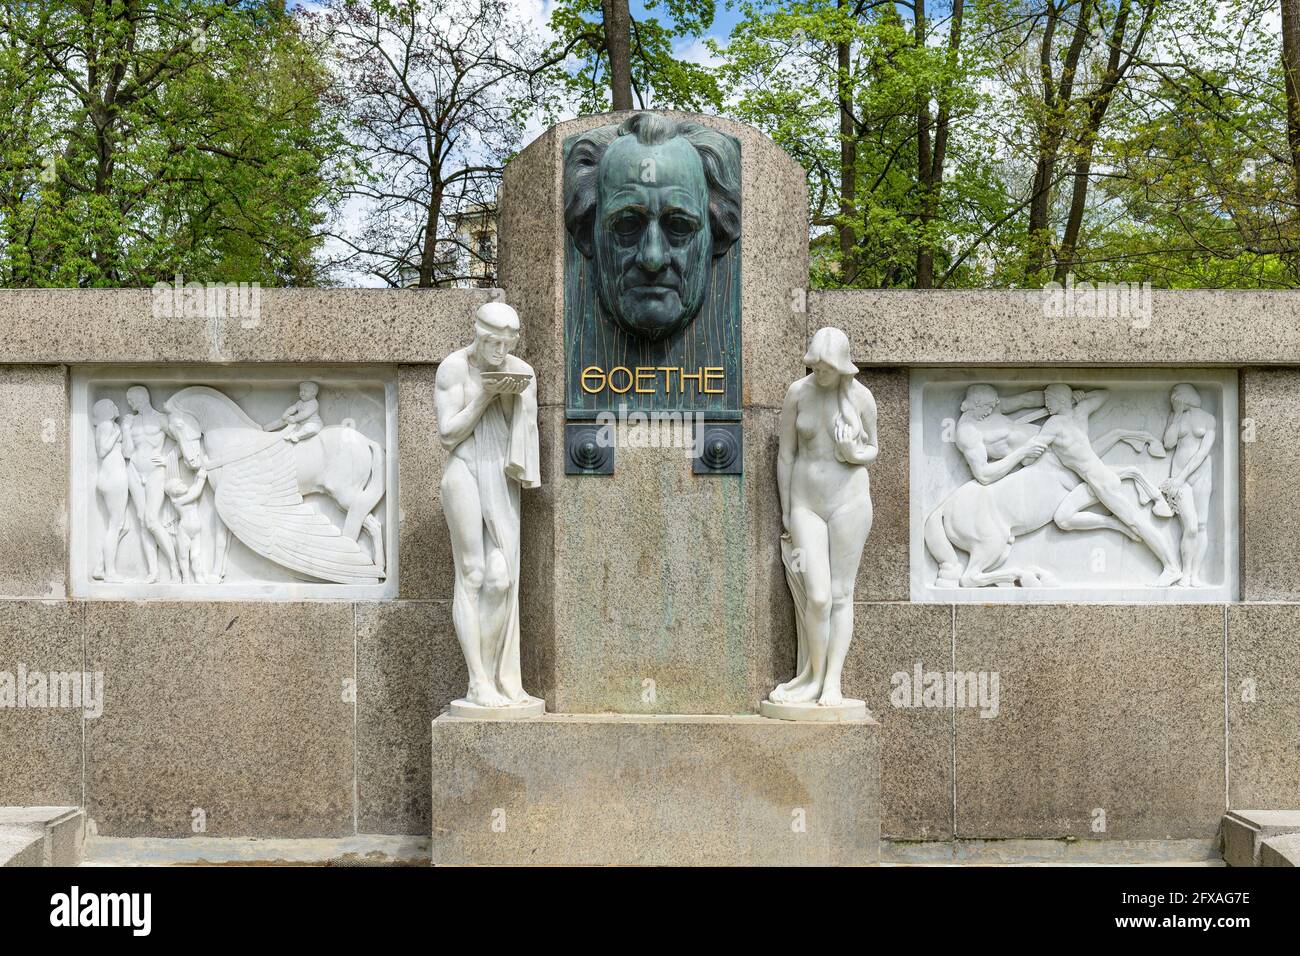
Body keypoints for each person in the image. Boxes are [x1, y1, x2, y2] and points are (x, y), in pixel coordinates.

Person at [435, 302, 540, 709]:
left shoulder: (521, 371)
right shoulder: (454, 368)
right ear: (478, 336)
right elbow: (448, 435)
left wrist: (515, 396)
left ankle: (497, 675)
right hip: (463, 471)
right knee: (473, 572)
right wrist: (486, 395)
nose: (500, 351)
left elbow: (525, 435)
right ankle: (477, 681)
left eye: (507, 344)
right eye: (493, 342)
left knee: (500, 579)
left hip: (501, 477)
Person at [769, 327, 877, 708]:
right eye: (814, 366)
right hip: (806, 505)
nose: (819, 372)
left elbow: (873, 449)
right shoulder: (798, 393)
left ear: (842, 366)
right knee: (817, 596)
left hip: (850, 502)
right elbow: (786, 454)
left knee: (840, 594)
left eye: (826, 367)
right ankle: (813, 677)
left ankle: (832, 681)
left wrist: (852, 451)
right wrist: (787, 509)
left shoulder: (861, 397)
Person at [1037, 384, 1181, 586]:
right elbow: (1104, 394)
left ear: (1060, 399)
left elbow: (1031, 454)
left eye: (1049, 399)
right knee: (1062, 518)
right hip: (1093, 482)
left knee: (1137, 523)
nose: (1046, 405)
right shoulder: (1081, 412)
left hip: (1101, 483)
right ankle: (1114, 523)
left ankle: (1172, 567)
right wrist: (1084, 397)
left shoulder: (1054, 424)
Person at [121, 385, 180, 583]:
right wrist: (125, 430)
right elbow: (127, 452)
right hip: (134, 470)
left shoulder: (161, 419)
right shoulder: (131, 422)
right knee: (141, 520)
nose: (130, 404)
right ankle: (153, 571)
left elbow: (182, 440)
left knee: (151, 520)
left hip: (155, 471)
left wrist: (169, 458)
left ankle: (174, 566)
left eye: (131, 400)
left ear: (141, 397)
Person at [1161, 384, 1216, 586]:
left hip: (1200, 475)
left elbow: (1203, 453)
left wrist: (1182, 477)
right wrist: (1176, 416)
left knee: (1201, 525)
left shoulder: (1208, 419)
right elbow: (1168, 443)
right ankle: (1185, 573)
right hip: (1177, 478)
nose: (1173, 399)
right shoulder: (1176, 417)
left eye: (1176, 395)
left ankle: (1195, 574)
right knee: (1190, 527)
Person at [91, 398, 129, 581]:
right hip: (113, 478)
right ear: (105, 410)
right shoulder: (106, 425)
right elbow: (102, 451)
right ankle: (110, 573)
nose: (116, 407)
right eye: (112, 405)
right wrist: (117, 434)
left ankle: (100, 567)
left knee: (124, 526)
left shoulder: (111, 426)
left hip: (115, 477)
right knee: (116, 525)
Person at [164, 469, 209, 584]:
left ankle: (198, 575)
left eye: (181, 483)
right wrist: (202, 478)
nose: (183, 485)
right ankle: (186, 577)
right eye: (178, 486)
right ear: (173, 493)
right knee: (183, 555)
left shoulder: (187, 494)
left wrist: (199, 474)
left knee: (195, 554)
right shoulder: (178, 501)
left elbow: (194, 487)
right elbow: (196, 492)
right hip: (184, 530)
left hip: (196, 529)